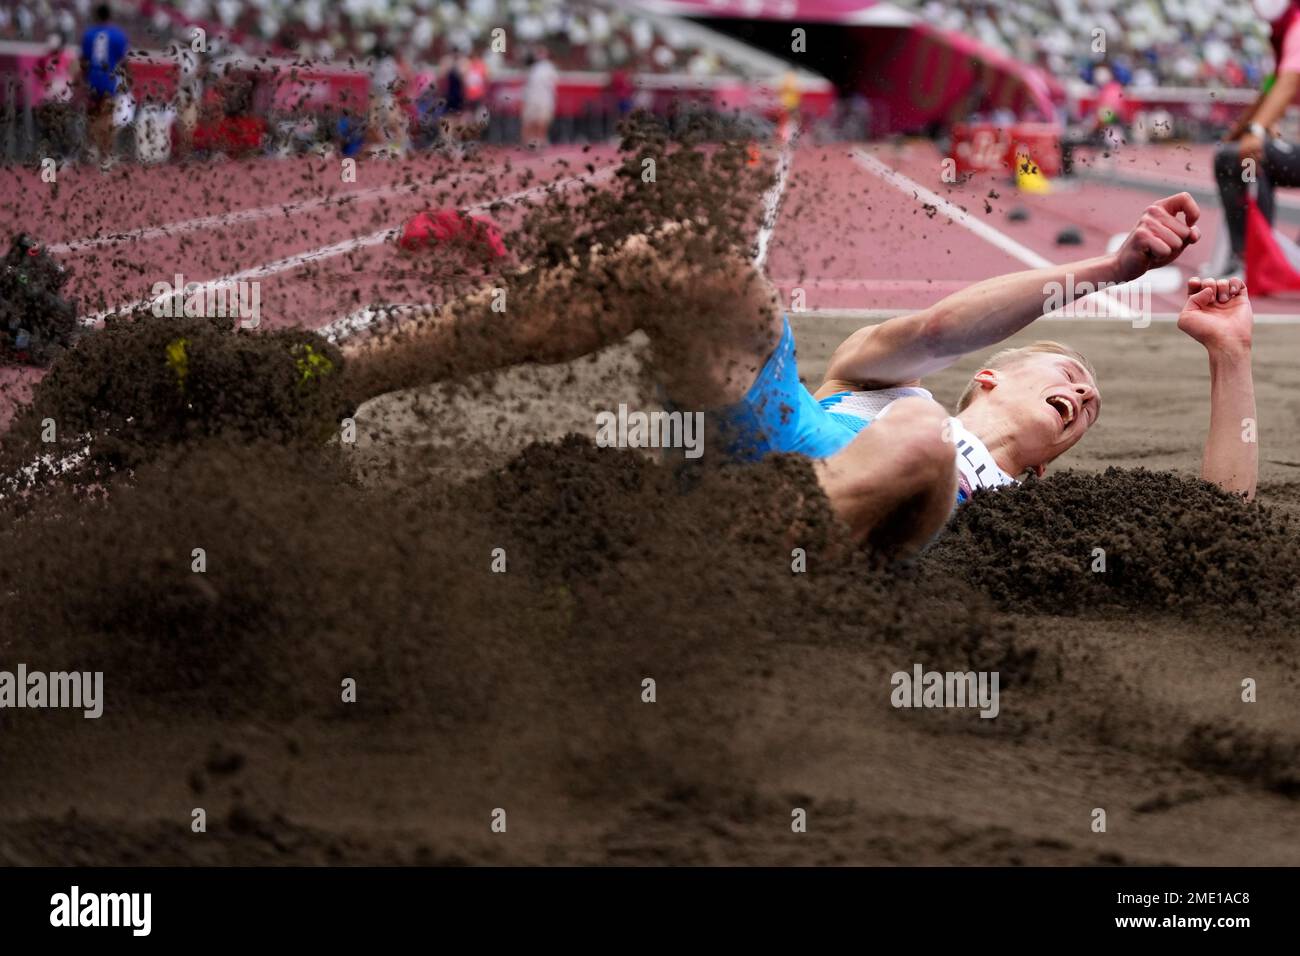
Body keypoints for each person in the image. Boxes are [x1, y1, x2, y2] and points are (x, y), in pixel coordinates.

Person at [340, 193, 1256, 559]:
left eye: (1089, 407)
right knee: (709, 268)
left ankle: (712, 580)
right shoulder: (891, 384)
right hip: (768, 443)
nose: (1085, 395)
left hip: (837, 545)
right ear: (986, 382)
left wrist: (1230, 354)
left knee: (920, 445)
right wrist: (1105, 273)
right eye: (1069, 372)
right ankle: (332, 374)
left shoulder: (1027, 509)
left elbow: (1216, 530)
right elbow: (939, 329)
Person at [1213, 0, 1300, 275]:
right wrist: (1238, 132)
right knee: (1238, 155)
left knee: (1234, 159)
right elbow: (1270, 90)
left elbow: (1289, 83)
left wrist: (1257, 131)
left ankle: (1253, 261)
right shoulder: (1284, 37)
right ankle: (1254, 258)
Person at [79, 3, 127, 170]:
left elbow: (83, 60)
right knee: (107, 119)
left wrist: (85, 78)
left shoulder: (89, 34)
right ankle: (105, 156)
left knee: (92, 117)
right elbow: (123, 60)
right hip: (109, 81)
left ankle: (92, 148)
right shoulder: (118, 35)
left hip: (93, 80)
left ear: (96, 16)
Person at [520, 46, 557, 148]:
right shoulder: (532, 68)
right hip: (532, 98)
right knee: (530, 120)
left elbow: (553, 84)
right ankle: (528, 140)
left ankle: (540, 140)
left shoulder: (549, 67)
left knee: (542, 120)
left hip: (544, 98)